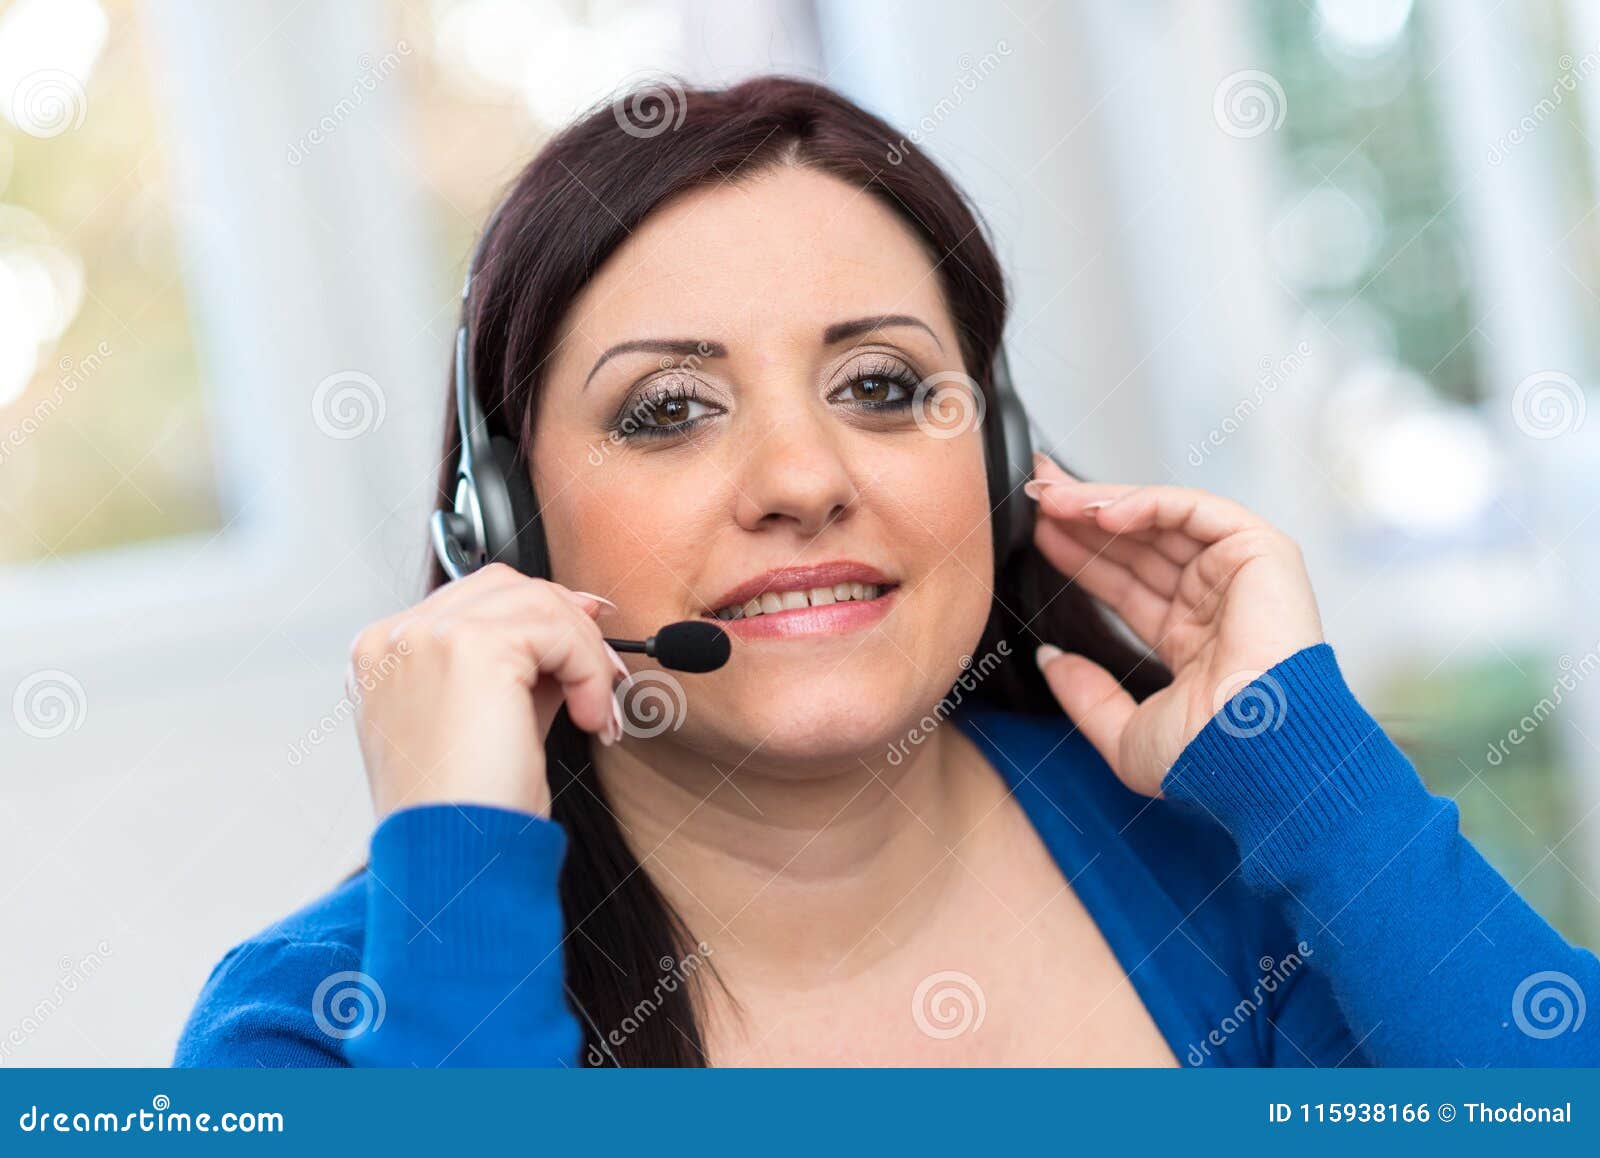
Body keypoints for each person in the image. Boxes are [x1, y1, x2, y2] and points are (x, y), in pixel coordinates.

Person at [175, 76, 1597, 1068]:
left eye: (878, 382)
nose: (804, 479)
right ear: (502, 529)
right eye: (669, 408)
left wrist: (1321, 783)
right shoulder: (314, 1025)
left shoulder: (1239, 886)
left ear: (996, 460)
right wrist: (459, 874)